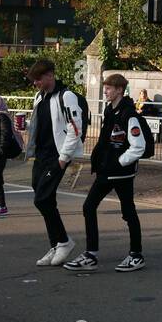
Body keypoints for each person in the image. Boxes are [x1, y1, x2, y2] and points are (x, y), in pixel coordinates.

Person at [64, 73, 146, 272]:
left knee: (126, 212)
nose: (105, 91)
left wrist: (119, 162)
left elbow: (139, 146)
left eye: (109, 88)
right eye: (105, 87)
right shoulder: (111, 111)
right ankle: (92, 254)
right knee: (91, 207)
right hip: (108, 171)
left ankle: (135, 254)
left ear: (119, 90)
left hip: (120, 173)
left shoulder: (129, 115)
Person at [25, 59, 84, 268]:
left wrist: (63, 158)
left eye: (38, 79)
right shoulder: (39, 97)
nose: (36, 83)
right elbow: (43, 123)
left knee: (41, 199)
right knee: (45, 199)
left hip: (56, 156)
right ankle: (57, 244)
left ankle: (64, 242)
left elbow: (75, 127)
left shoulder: (66, 97)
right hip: (41, 155)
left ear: (50, 75)